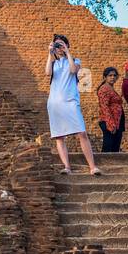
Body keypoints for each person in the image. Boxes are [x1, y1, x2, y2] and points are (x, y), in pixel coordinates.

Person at [46, 35, 100, 175]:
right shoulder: (53, 63)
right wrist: (50, 54)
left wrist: (67, 52)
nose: (59, 48)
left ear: (67, 46)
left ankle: (92, 167)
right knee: (59, 137)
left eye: (61, 45)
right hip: (54, 103)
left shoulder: (75, 61)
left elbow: (72, 70)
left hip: (70, 101)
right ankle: (67, 167)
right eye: (56, 45)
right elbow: (47, 73)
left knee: (81, 133)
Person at [97, 67, 126, 153]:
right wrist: (111, 124)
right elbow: (104, 106)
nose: (112, 77)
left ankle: (113, 165)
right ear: (105, 77)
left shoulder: (111, 88)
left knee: (115, 146)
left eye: (114, 75)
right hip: (109, 121)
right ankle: (105, 165)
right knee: (108, 146)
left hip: (116, 121)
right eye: (110, 75)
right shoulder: (104, 89)